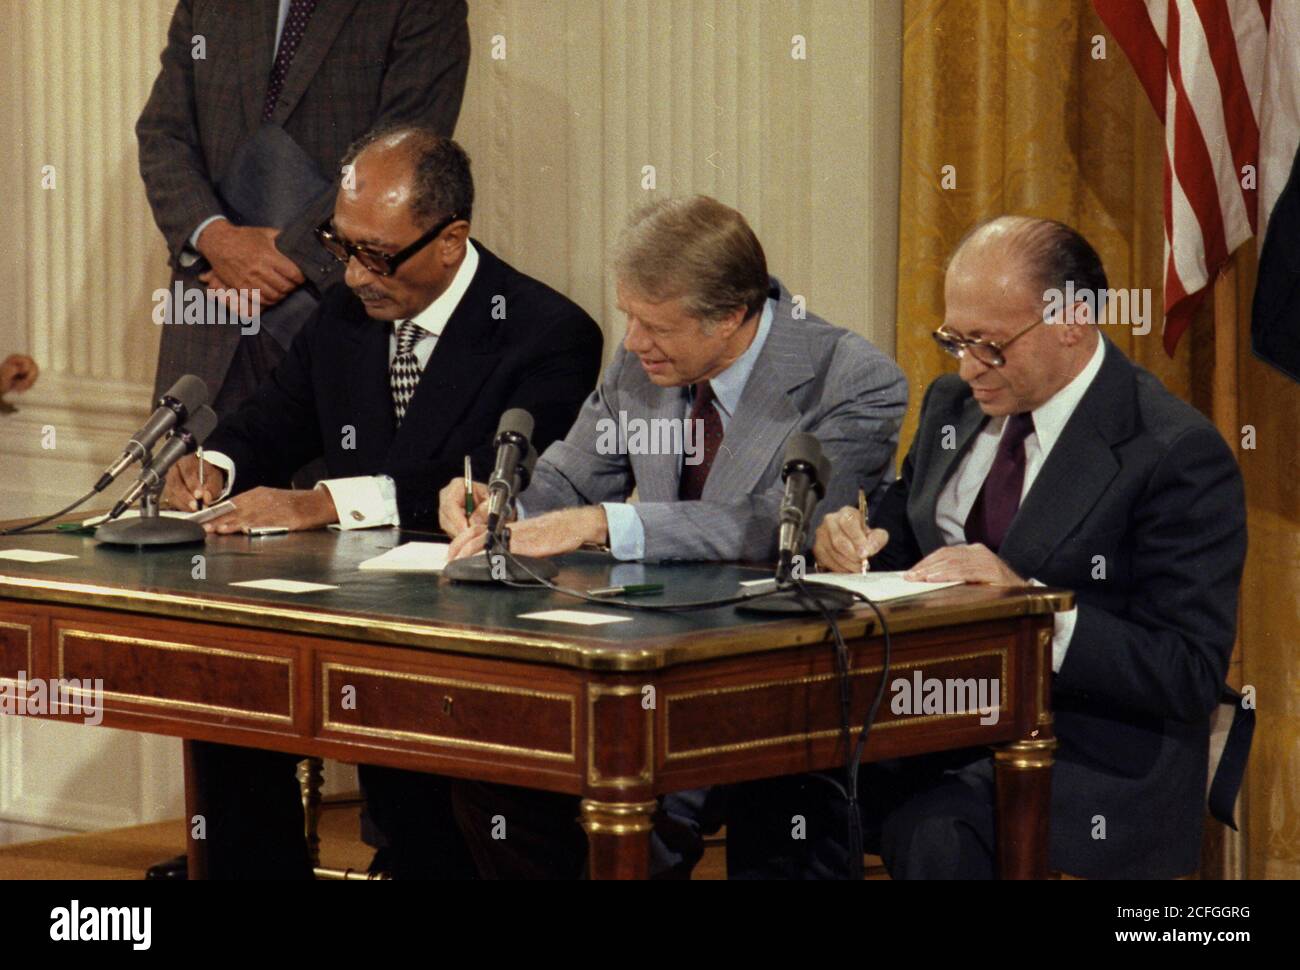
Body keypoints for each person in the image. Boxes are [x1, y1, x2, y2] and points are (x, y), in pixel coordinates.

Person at [727, 215, 1247, 880]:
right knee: (775, 784)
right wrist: (849, 545)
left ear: (1074, 321)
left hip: (1090, 751)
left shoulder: (1172, 452)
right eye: (955, 340)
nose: (969, 366)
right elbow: (902, 546)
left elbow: (1187, 671)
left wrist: (1031, 607)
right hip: (934, 717)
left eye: (991, 345)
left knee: (938, 831)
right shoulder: (954, 405)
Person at [160, 126, 604, 879]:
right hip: (349, 606)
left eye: (377, 255)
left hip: (472, 633)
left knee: (440, 836)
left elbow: (500, 489)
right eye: (342, 246)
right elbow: (276, 416)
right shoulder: (342, 317)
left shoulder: (546, 333)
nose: (356, 275)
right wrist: (216, 463)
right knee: (228, 689)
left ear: (451, 239)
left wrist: (325, 501)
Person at [438, 195, 909, 878]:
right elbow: (568, 481)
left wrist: (607, 523)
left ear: (731, 317)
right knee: (495, 772)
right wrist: (501, 507)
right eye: (629, 315)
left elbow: (785, 521)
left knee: (642, 800)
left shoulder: (850, 379)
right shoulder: (643, 365)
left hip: (762, 670)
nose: (631, 341)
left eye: (654, 324)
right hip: (635, 651)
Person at [137, 0, 470, 416]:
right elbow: (162, 134)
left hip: (340, 312)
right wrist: (216, 238)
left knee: (331, 481)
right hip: (209, 310)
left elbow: (407, 156)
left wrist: (293, 255)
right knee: (191, 477)